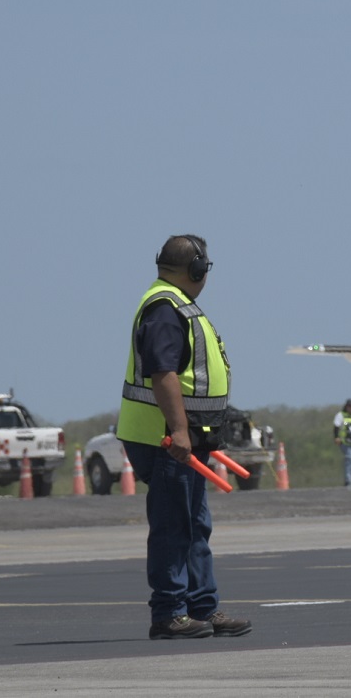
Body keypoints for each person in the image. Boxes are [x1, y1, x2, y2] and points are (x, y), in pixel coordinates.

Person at [116, 234, 252, 641]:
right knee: (174, 526)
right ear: (195, 270)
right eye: (204, 268)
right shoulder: (164, 308)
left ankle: (201, 607)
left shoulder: (177, 305)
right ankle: (169, 613)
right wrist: (177, 430)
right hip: (167, 441)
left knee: (194, 525)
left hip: (189, 441)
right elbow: (164, 373)